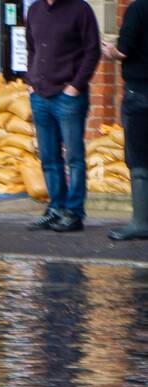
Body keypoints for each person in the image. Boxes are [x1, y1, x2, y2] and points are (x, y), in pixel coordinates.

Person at [25, 0, 101, 233]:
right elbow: (31, 48)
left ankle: (74, 213)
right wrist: (31, 81)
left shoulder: (80, 9)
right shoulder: (35, 10)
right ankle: (55, 208)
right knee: (48, 157)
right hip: (40, 95)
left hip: (68, 96)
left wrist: (76, 86)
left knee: (74, 158)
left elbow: (92, 51)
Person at [103, 0, 148, 240]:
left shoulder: (137, 9)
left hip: (140, 93)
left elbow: (124, 49)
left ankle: (141, 222)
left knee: (139, 159)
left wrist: (110, 51)